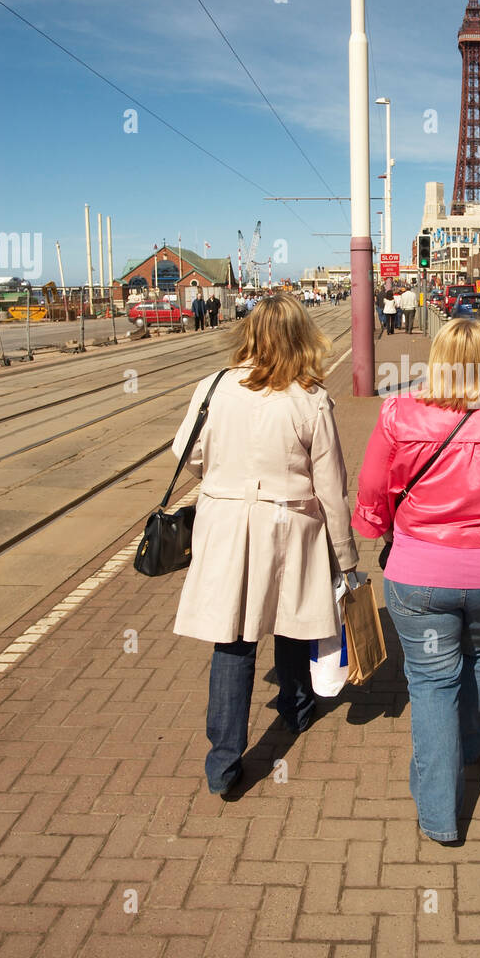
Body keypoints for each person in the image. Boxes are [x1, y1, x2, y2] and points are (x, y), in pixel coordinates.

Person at [352, 318, 480, 843]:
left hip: (419, 574)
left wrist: (373, 526)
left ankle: (441, 814)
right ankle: (473, 742)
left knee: (430, 682)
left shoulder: (399, 412)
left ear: (438, 359)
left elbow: (374, 486)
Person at [171, 291, 359, 796]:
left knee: (233, 638)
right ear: (302, 338)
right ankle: (297, 709)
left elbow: (187, 457)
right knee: (293, 618)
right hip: (288, 524)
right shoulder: (311, 398)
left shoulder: (213, 387)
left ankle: (224, 762)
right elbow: (331, 487)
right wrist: (345, 557)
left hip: (226, 525)